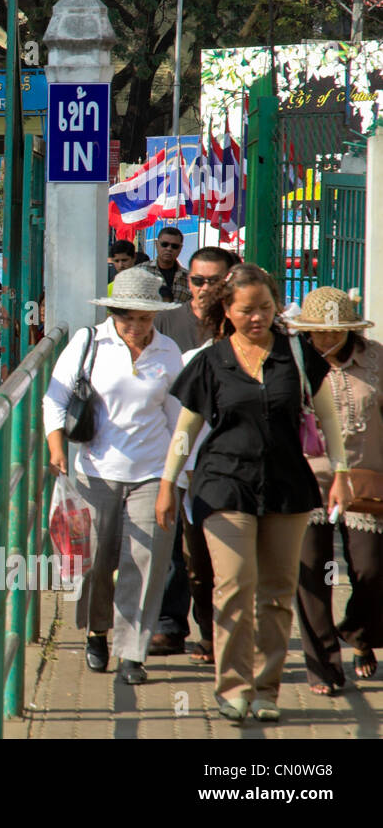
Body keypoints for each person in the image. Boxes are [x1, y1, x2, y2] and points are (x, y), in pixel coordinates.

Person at [158, 263, 351, 722]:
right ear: (227, 309)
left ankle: (267, 690)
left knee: (278, 592)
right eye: (247, 310)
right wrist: (168, 483)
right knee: (234, 587)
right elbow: (186, 431)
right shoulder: (210, 360)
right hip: (223, 485)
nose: (257, 317)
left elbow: (328, 420)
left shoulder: (299, 355)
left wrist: (341, 473)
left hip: (287, 486)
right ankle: (233, 689)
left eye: (265, 308)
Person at [42, 267, 184, 686]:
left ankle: (132, 652)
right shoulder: (90, 343)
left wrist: (173, 481)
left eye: (145, 318)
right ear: (113, 313)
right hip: (95, 471)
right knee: (95, 561)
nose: (137, 328)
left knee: (146, 561)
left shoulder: (169, 351)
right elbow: (55, 399)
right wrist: (56, 449)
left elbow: (179, 421)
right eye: (128, 318)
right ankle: (97, 631)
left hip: (152, 471)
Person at [291, 287, 383, 696]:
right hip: (307, 476)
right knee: (312, 574)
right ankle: (323, 666)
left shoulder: (376, 359)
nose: (326, 340)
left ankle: (359, 633)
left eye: (335, 332)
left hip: (364, 476)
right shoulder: (291, 360)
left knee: (370, 569)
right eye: (318, 333)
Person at [149, 246, 238, 657]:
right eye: (197, 280)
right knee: (173, 547)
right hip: (172, 447)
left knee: (210, 551)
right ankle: (169, 624)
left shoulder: (240, 325)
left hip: (226, 456)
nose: (203, 289)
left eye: (213, 281)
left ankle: (212, 629)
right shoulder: (165, 323)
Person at [140, 226, 189, 303]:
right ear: (156, 244)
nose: (169, 249)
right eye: (164, 244)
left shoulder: (188, 278)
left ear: (180, 248)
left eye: (174, 246)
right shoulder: (140, 272)